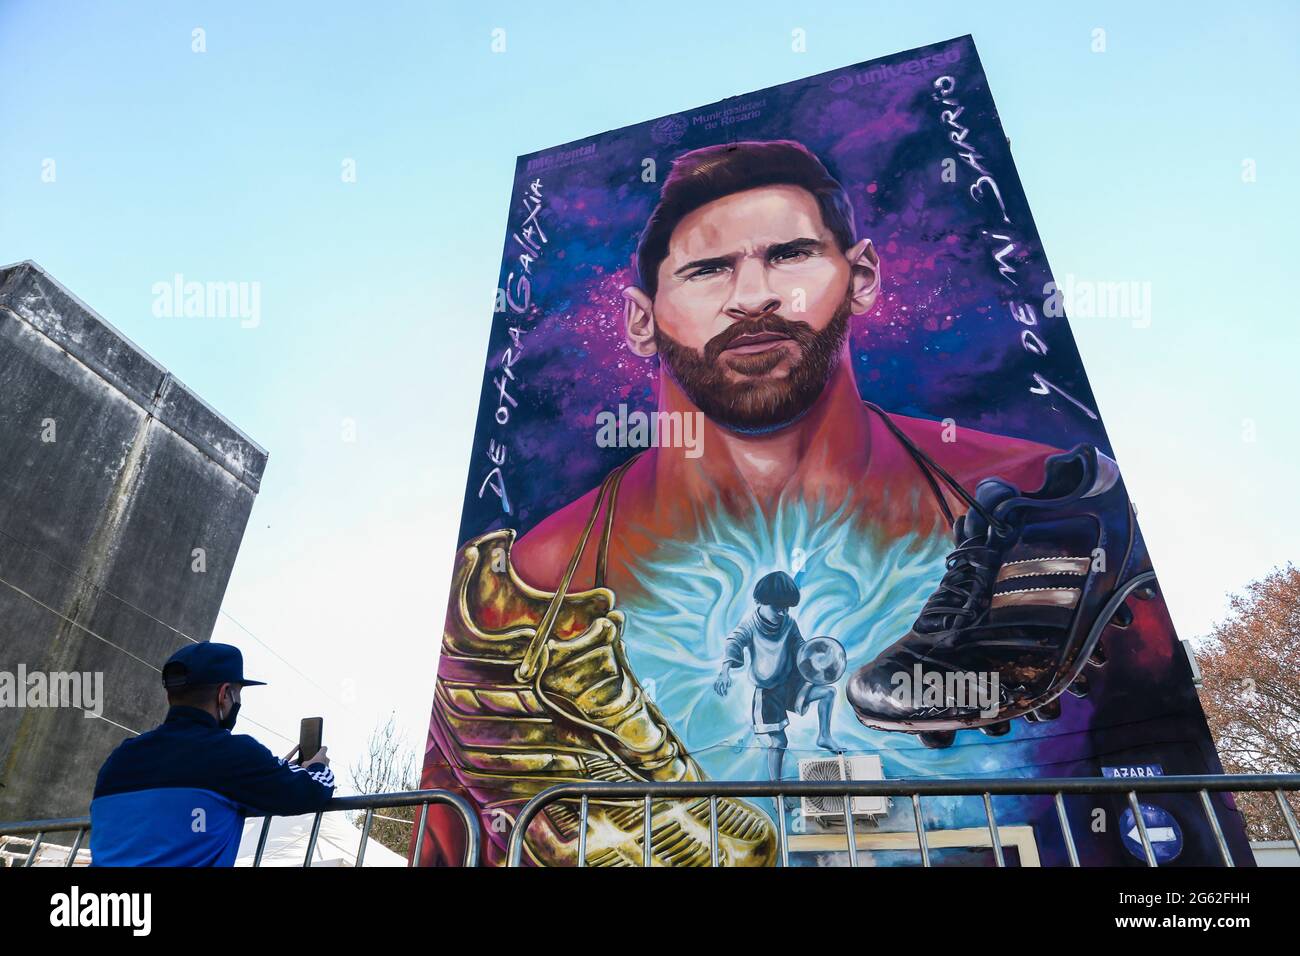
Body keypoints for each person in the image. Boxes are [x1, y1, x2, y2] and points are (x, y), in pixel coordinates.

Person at [89, 642, 334, 866]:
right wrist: (316, 767)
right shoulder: (233, 755)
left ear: (170, 696)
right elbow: (312, 791)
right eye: (238, 693)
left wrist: (270, 771)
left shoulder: (120, 758)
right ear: (224, 694)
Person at [714, 571, 840, 781]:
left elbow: (801, 647)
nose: (782, 613)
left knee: (828, 692)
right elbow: (734, 641)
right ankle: (776, 788)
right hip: (768, 692)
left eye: (786, 608)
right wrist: (724, 671)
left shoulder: (788, 623)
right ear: (761, 602)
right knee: (779, 743)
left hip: (790, 683)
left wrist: (819, 658)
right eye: (777, 608)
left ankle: (824, 736)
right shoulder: (750, 624)